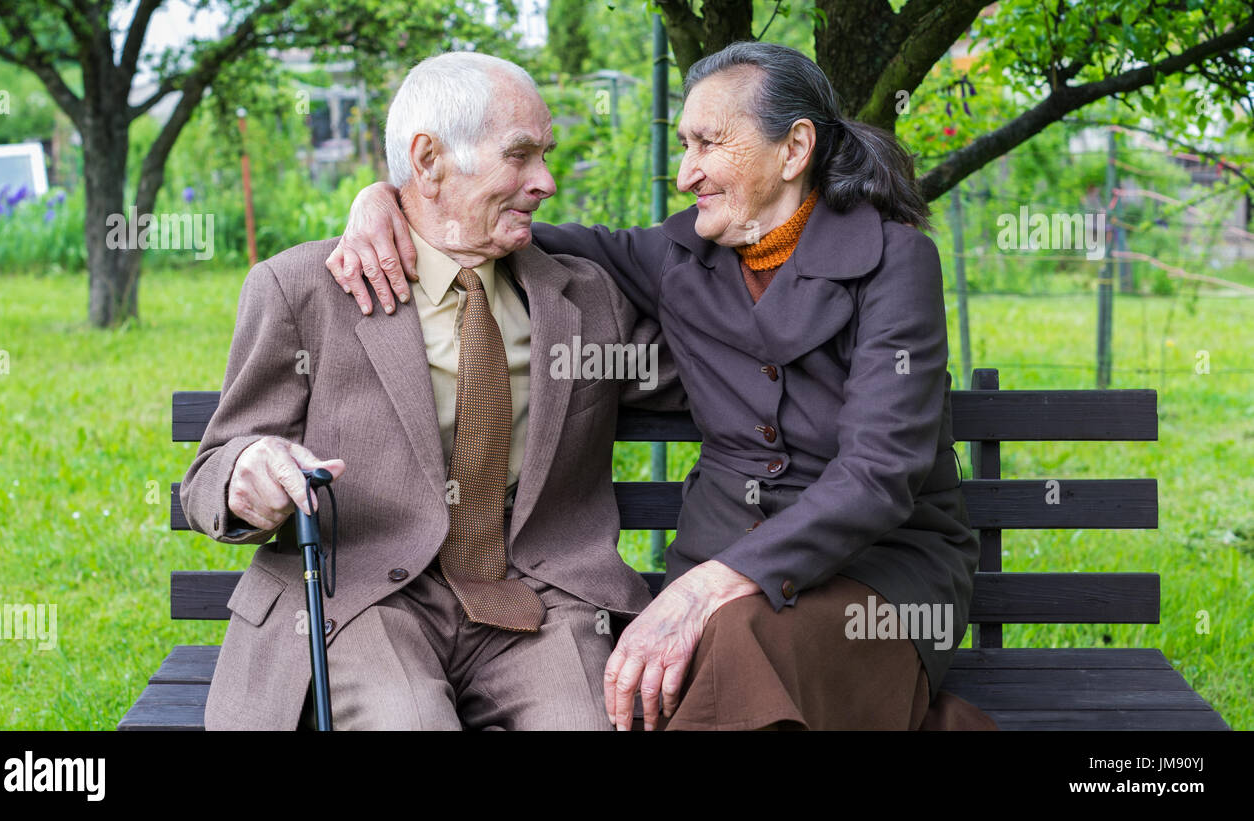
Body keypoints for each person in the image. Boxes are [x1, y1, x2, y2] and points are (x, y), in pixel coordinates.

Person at [326, 41, 999, 731]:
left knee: (738, 648)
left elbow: (880, 475)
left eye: (707, 143)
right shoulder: (679, 258)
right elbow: (504, 226)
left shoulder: (895, 263)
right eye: (683, 144)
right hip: (712, 584)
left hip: (877, 576)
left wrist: (712, 584)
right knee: (682, 677)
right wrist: (387, 199)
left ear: (794, 149)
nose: (685, 175)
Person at [178, 51, 682, 730]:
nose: (547, 181)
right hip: (359, 597)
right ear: (430, 158)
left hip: (535, 595)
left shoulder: (583, 297)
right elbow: (213, 467)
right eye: (521, 155)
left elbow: (719, 369)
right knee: (404, 720)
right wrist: (248, 474)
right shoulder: (305, 289)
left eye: (546, 154)